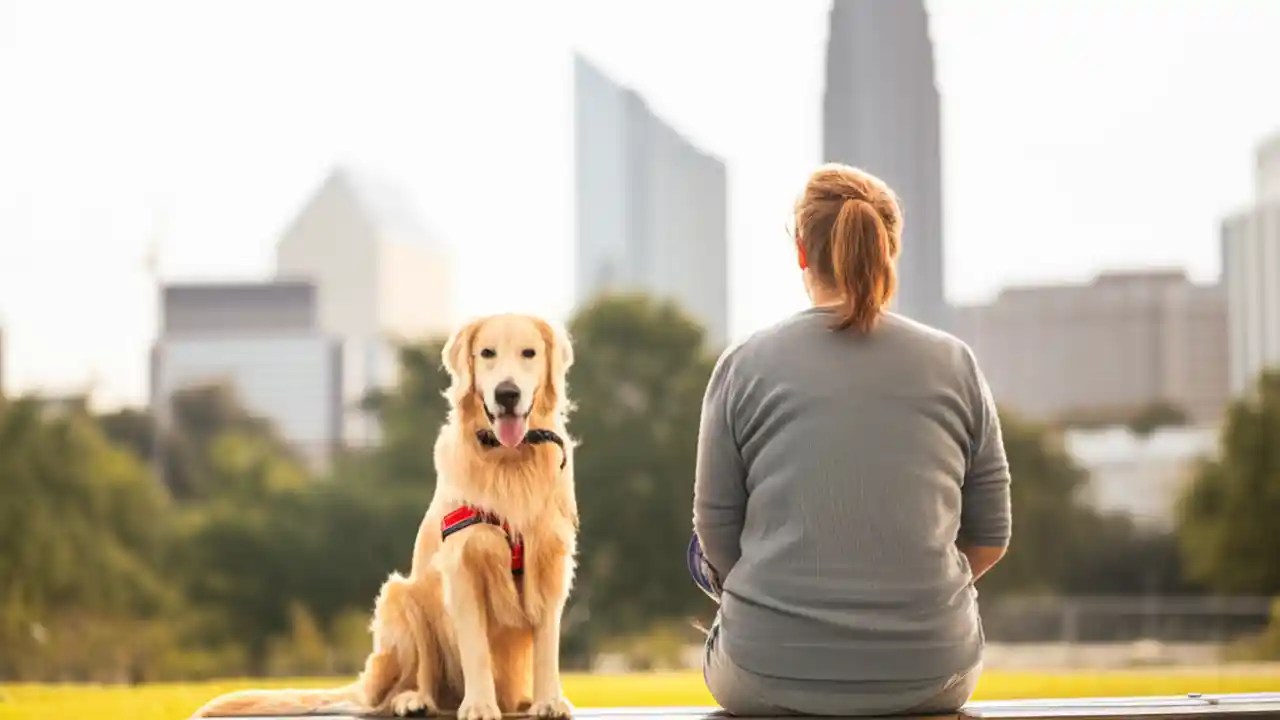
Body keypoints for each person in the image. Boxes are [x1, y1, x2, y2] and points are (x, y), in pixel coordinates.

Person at [692, 163, 1011, 716]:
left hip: (763, 672)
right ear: (891, 249)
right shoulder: (955, 363)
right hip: (933, 671)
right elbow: (991, 534)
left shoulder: (743, 365)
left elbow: (715, 534)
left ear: (801, 253)